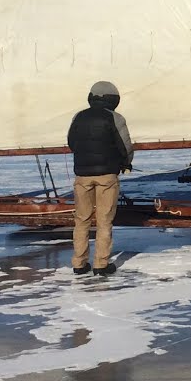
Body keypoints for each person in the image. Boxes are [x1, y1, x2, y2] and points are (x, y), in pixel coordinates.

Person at [66, 80, 133, 275]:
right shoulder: (115, 118)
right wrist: (126, 163)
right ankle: (101, 264)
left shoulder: (79, 117)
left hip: (82, 176)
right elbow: (125, 146)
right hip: (107, 176)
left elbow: (71, 142)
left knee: (82, 220)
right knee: (104, 220)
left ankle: (79, 263)